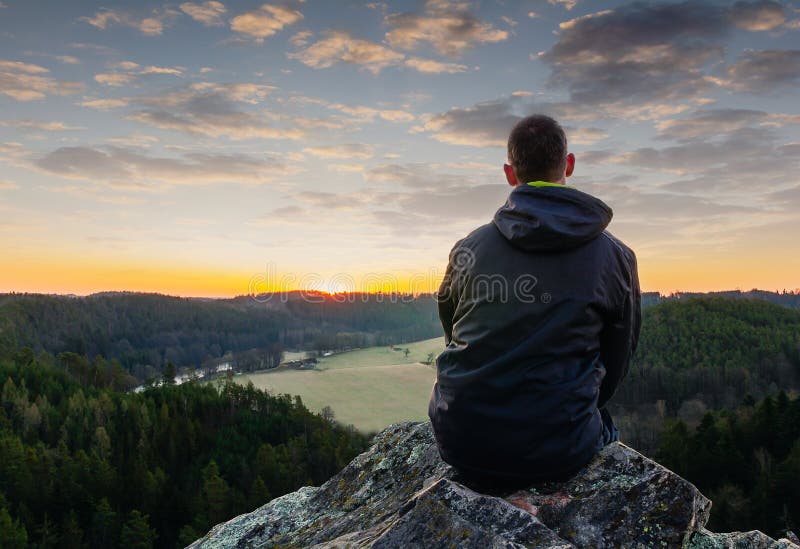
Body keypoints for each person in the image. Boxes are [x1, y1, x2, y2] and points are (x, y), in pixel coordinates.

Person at [428, 114, 641, 491]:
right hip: (560, 449)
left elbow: (452, 330)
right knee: (607, 428)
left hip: (462, 441)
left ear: (510, 174)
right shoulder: (617, 258)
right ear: (569, 164)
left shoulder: (470, 249)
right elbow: (616, 360)